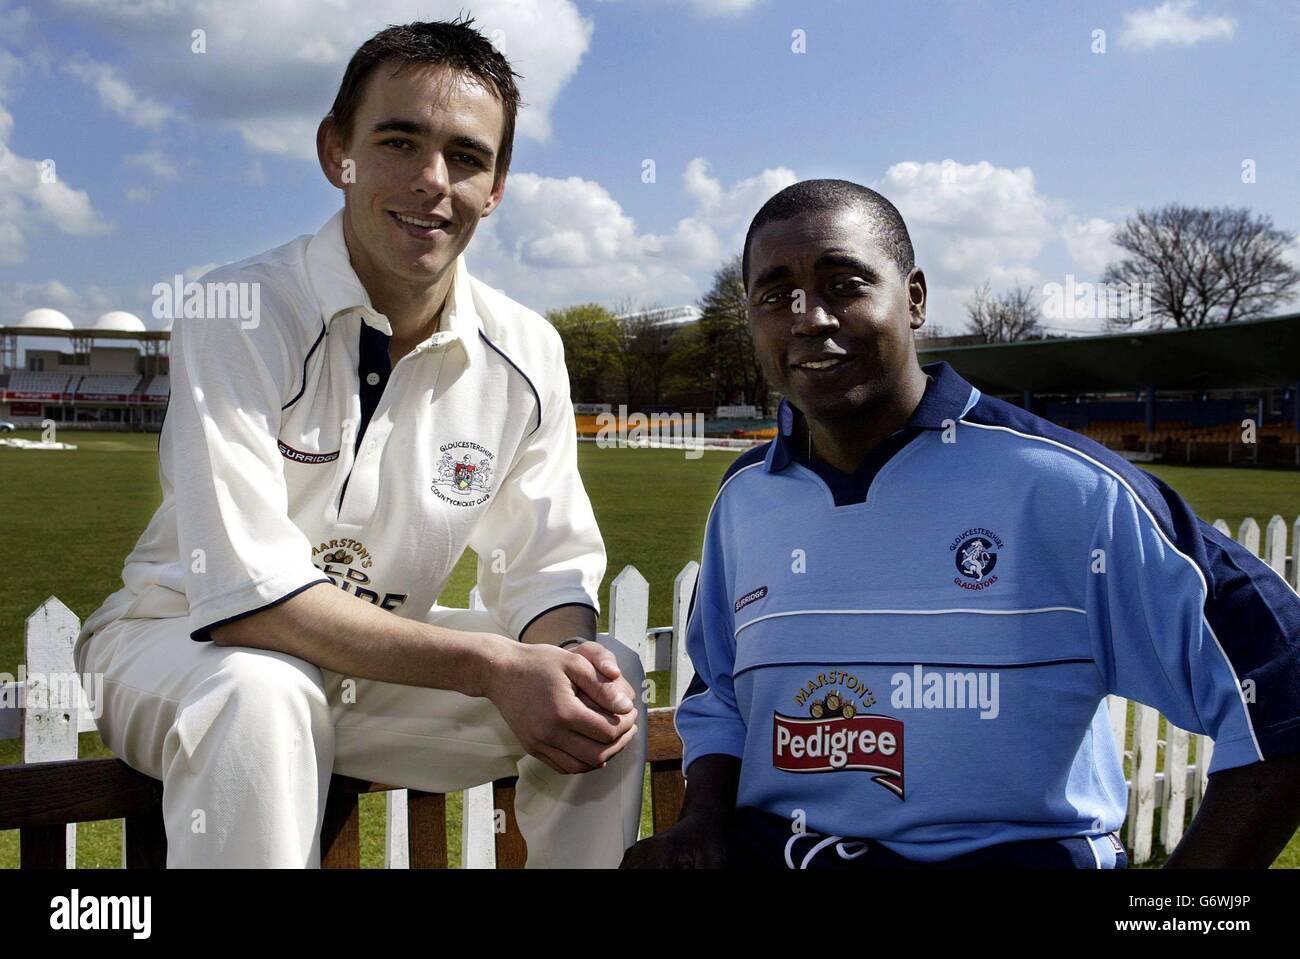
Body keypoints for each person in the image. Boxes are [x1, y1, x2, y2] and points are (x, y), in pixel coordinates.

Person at [75, 18, 646, 868]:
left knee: (608, 687)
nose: (432, 182)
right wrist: (493, 666)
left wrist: (565, 662)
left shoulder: (527, 350)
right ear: (335, 151)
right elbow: (248, 599)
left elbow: (548, 571)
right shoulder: (239, 307)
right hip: (184, 645)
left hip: (377, 670)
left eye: (466, 156)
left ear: (496, 187)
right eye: (398, 141)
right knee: (263, 692)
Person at [621, 179, 1300, 869]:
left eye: (845, 283)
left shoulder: (1061, 484)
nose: (811, 318)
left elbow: (1284, 671)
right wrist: (702, 822)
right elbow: (721, 694)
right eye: (776, 296)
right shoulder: (745, 498)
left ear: (913, 298)